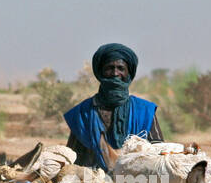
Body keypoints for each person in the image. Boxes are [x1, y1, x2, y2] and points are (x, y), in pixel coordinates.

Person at [64, 42, 163, 171]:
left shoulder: (144, 111)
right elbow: (73, 156)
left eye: (120, 68)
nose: (115, 73)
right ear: (100, 72)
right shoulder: (83, 113)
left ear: (128, 73)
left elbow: (159, 151)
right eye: (109, 68)